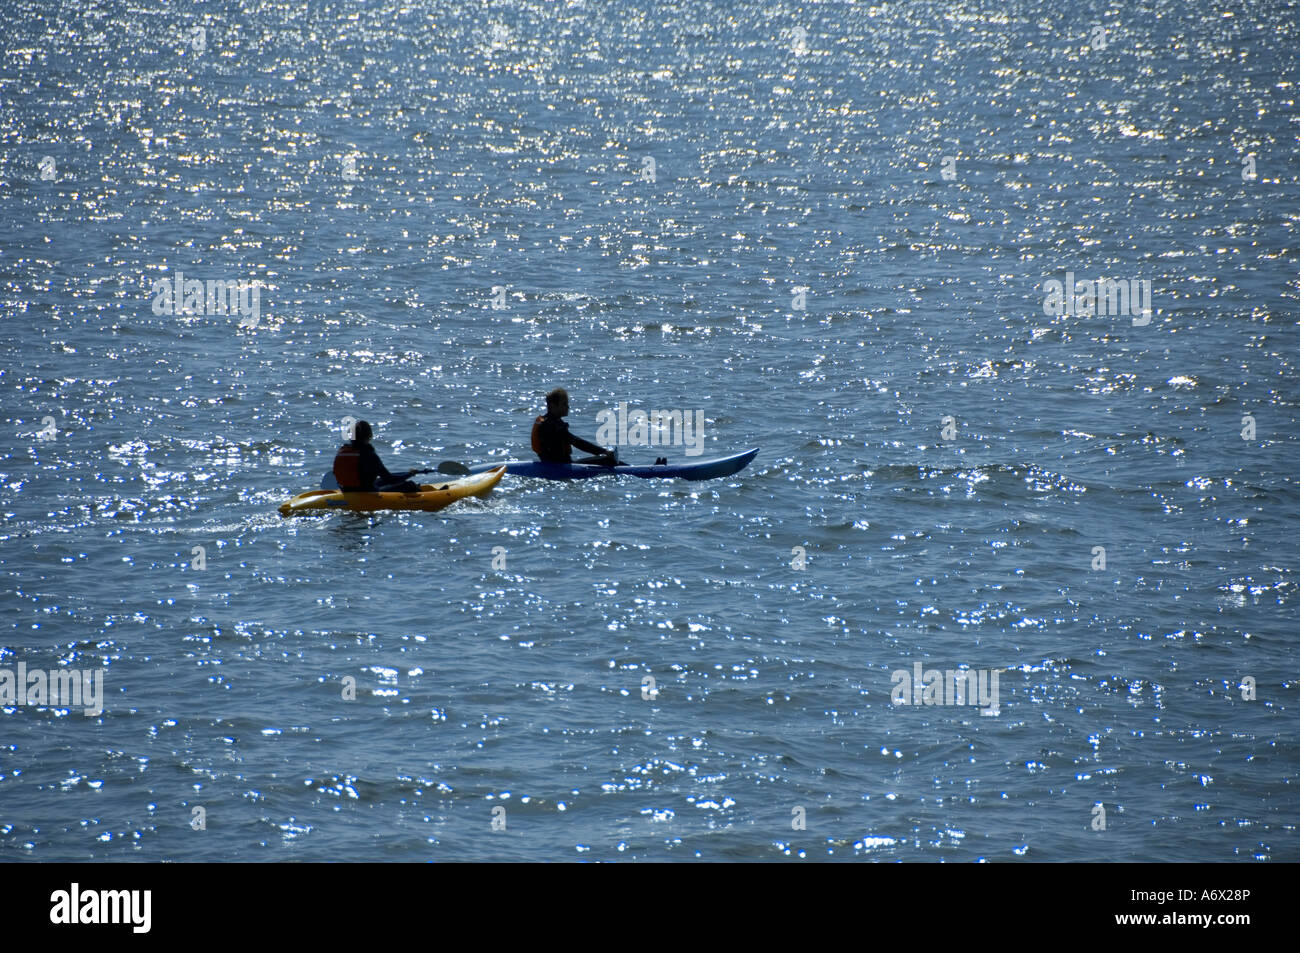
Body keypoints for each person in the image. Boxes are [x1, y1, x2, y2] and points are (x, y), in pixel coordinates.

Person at [531, 388, 618, 465]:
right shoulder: (551, 425)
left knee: (608, 459)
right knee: (609, 460)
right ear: (553, 406)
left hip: (552, 464)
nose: (568, 407)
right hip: (560, 467)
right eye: (564, 404)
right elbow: (577, 442)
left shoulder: (548, 422)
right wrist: (604, 452)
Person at [333, 420, 420, 492]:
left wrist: (408, 474)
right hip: (366, 493)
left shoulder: (342, 452)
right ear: (369, 436)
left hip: (346, 490)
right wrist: (410, 474)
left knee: (379, 481)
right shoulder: (369, 455)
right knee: (410, 485)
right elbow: (389, 479)